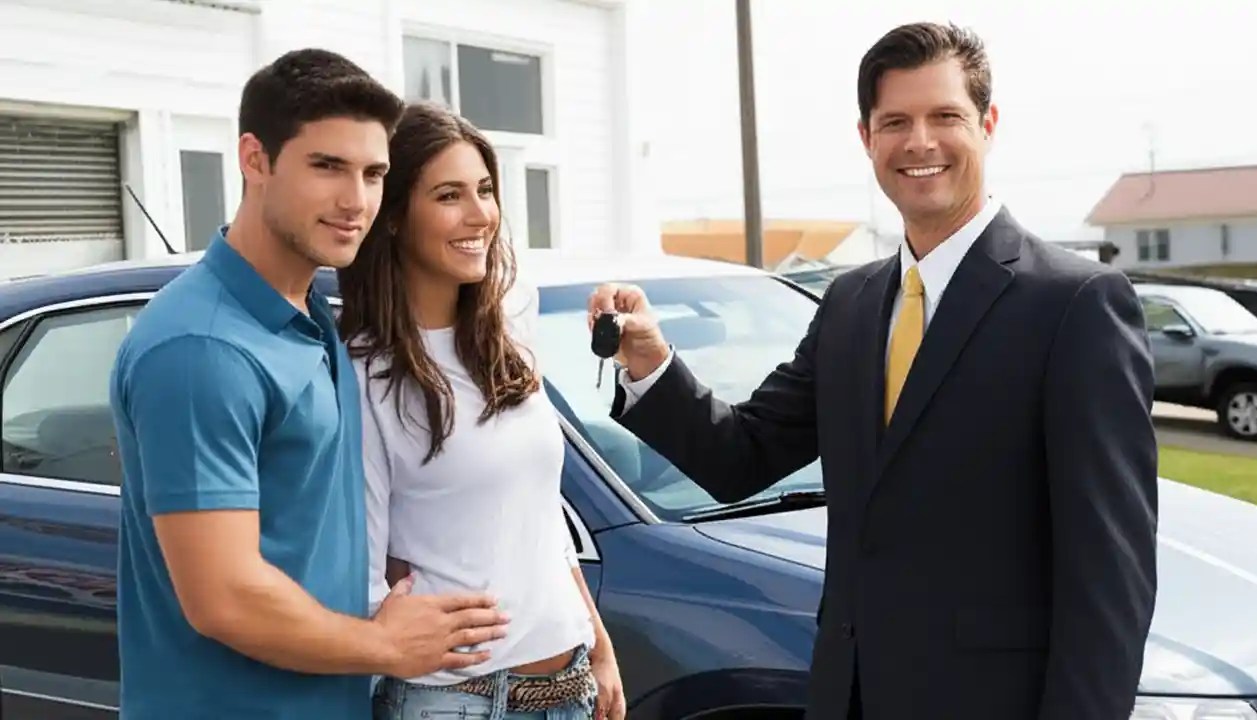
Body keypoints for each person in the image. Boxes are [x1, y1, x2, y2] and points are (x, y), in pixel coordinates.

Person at [588, 22, 1158, 720]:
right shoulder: (853, 302)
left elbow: (1109, 573)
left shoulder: (1075, 304)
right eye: (895, 121)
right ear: (867, 138)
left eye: (945, 116)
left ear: (988, 124)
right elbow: (743, 456)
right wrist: (649, 364)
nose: (920, 142)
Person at [109, 50, 510, 719]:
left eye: (374, 173)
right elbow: (225, 597)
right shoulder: (202, 347)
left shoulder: (307, 317)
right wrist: (384, 645)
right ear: (255, 159)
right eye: (327, 167)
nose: (356, 200)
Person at [336, 102, 626, 720]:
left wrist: (597, 644)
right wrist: (392, 634)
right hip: (454, 700)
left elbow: (539, 516)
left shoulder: (508, 328)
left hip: (567, 687)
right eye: (449, 195)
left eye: (486, 190)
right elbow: (361, 578)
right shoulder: (363, 373)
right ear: (393, 218)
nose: (479, 215)